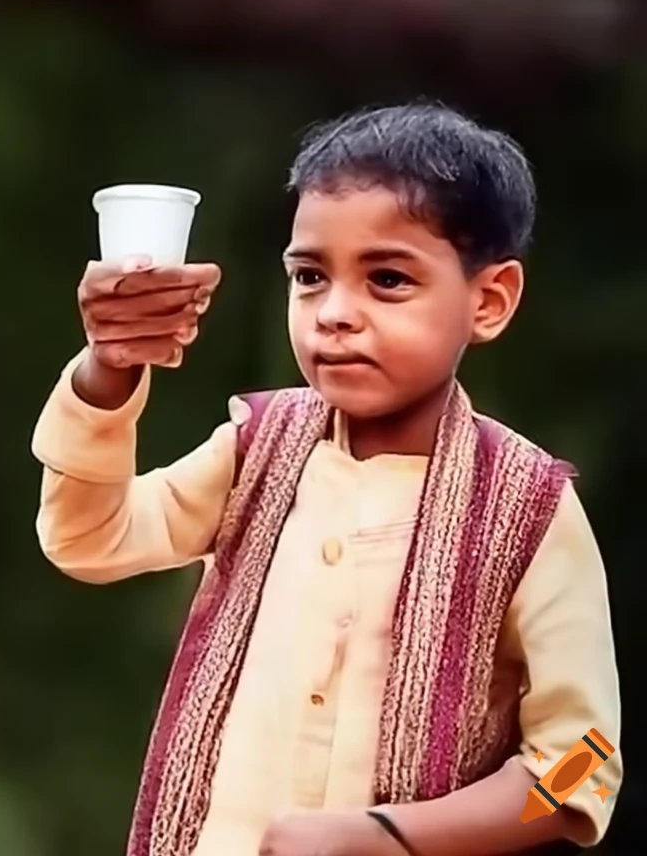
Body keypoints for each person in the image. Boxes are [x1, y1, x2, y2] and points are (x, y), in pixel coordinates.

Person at [30, 103, 622, 856]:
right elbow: (87, 538)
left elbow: (583, 766)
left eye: (388, 279)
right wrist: (107, 371)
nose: (334, 313)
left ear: (489, 300)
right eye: (310, 276)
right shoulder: (257, 451)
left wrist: (392, 836)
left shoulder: (528, 508)